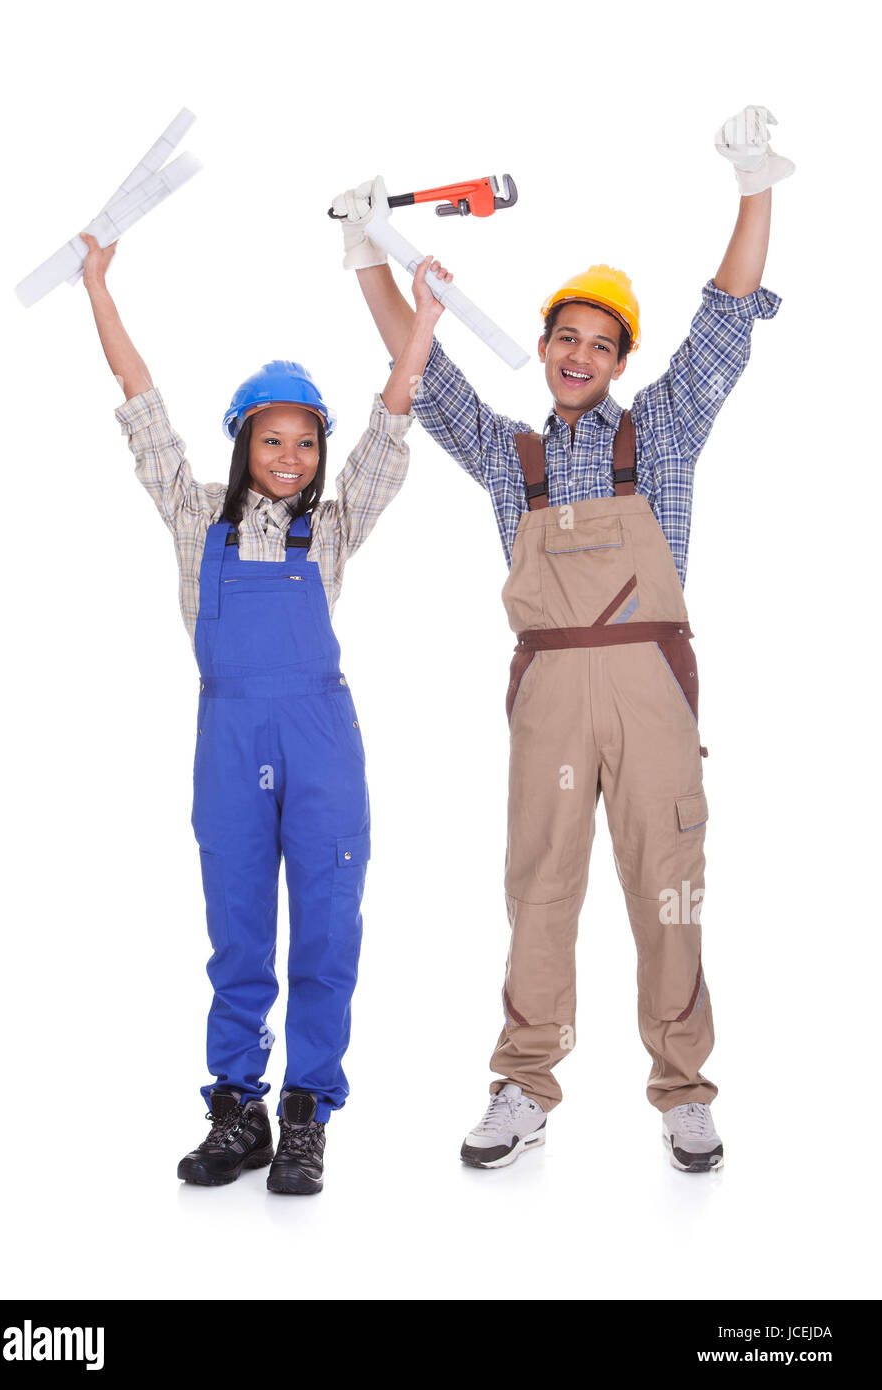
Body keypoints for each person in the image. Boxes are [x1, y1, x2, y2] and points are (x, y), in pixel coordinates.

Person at [335, 106, 793, 1173]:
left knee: (666, 880)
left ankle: (682, 1089)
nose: (580, 354)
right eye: (565, 338)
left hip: (649, 694)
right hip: (548, 697)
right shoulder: (510, 459)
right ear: (540, 349)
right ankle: (521, 1084)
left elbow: (725, 317)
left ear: (620, 357)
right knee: (537, 886)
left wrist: (751, 184)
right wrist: (367, 253)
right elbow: (425, 380)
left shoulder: (663, 430)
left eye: (600, 342)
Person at [80, 232, 450, 1195]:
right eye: (271, 439)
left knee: (326, 930)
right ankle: (235, 1112)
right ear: (241, 441)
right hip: (228, 736)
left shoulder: (330, 527)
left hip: (321, 743)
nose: (291, 457)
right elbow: (141, 407)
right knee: (239, 929)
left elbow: (391, 429)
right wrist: (96, 285)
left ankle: (304, 1116)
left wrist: (421, 329)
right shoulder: (189, 510)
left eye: (306, 442)